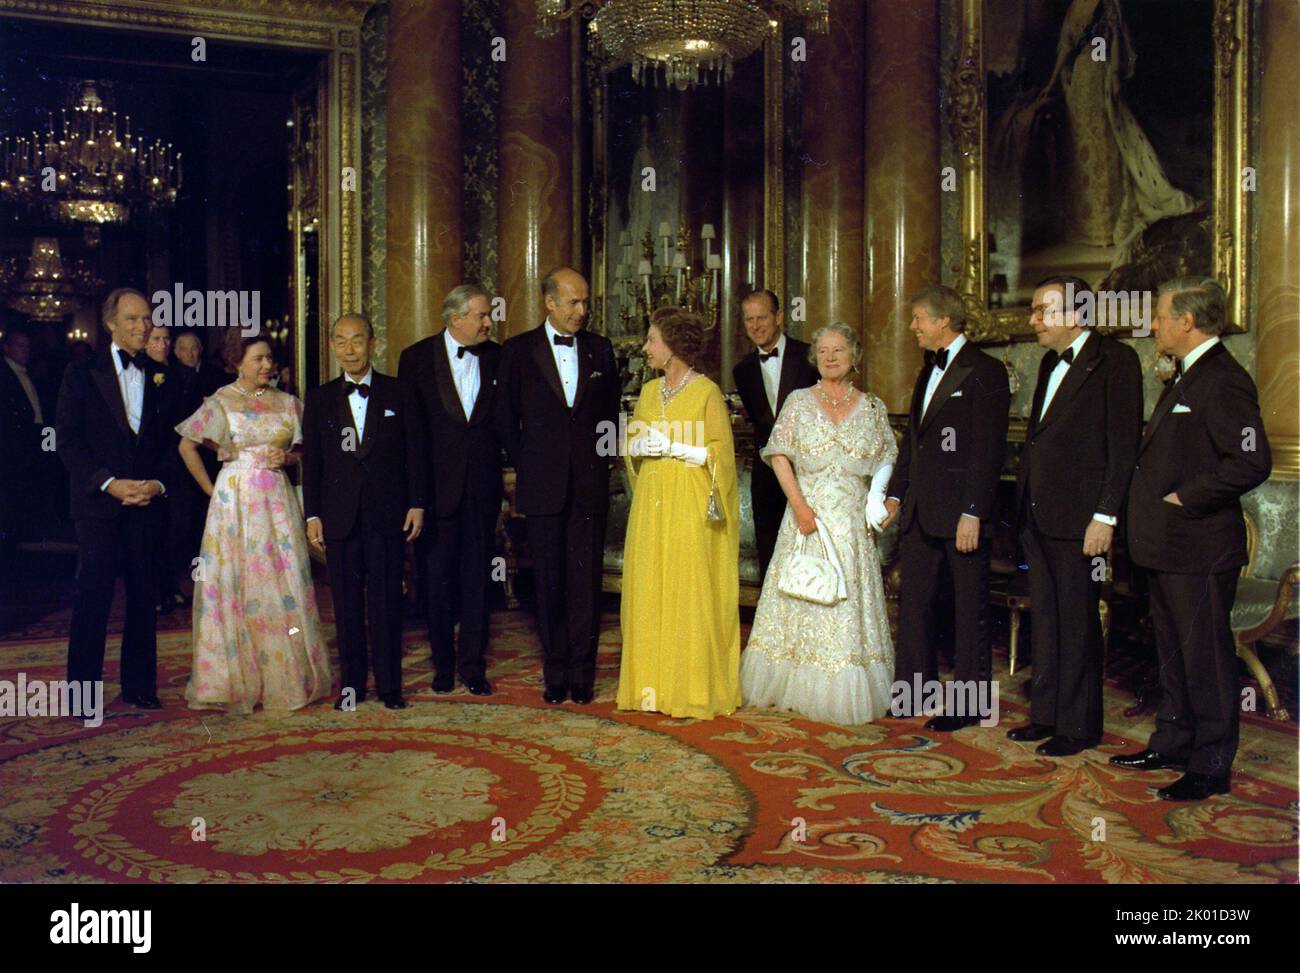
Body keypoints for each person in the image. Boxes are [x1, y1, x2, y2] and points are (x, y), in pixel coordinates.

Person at [1110, 277, 1270, 801]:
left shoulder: (1222, 379)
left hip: (1199, 547)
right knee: (1173, 653)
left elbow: (1251, 460)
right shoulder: (1186, 376)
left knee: (1205, 659)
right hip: (1167, 547)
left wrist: (1186, 498)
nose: (1153, 325)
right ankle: (1174, 742)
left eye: (1159, 316)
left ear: (1187, 321)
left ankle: (1211, 763)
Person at [1007, 276, 1142, 756]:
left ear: (1077, 314)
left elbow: (1123, 448)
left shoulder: (1117, 362)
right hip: (1038, 516)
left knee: (1078, 621)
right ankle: (1045, 715)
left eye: (1043, 311)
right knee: (1047, 619)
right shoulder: (1048, 362)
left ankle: (1079, 726)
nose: (1033, 320)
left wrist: (1105, 517)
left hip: (1083, 520)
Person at [741, 322, 897, 725]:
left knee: (844, 606)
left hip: (850, 524)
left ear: (854, 356)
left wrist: (877, 498)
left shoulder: (874, 407)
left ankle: (841, 690)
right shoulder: (798, 402)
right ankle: (792, 684)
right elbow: (779, 456)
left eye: (838, 350)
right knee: (801, 596)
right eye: (823, 351)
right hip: (805, 518)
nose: (829, 357)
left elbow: (887, 458)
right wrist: (800, 507)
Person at [176, 331, 332, 712]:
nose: (266, 365)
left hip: (276, 501)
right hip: (235, 503)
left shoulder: (289, 403)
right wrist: (212, 490)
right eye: (258, 359)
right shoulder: (221, 401)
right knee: (237, 583)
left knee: (281, 582)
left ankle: (287, 674)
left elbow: (304, 451)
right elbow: (187, 445)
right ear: (238, 362)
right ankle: (231, 679)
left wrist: (289, 460)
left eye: (268, 358)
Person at [883, 285, 1011, 729]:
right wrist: (896, 493)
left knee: (967, 609)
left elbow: (988, 451)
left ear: (942, 321)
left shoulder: (986, 371)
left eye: (918, 318)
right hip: (920, 511)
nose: (912, 326)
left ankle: (970, 705)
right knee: (915, 605)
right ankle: (911, 696)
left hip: (962, 516)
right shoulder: (927, 370)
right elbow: (913, 446)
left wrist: (973, 511)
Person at [494, 267, 620, 705]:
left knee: (585, 584)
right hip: (542, 486)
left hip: (589, 485)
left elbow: (609, 419)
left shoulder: (600, 349)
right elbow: (505, 420)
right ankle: (555, 671)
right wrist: (529, 465)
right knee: (547, 582)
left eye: (586, 302)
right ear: (549, 302)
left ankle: (583, 673)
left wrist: (602, 465)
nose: (582, 311)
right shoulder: (517, 351)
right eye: (573, 302)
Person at [617, 309, 740, 719]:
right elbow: (631, 444)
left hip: (688, 500)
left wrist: (677, 449)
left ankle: (689, 690)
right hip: (652, 501)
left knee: (687, 587)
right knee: (652, 585)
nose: (646, 347)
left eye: (652, 340)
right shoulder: (649, 393)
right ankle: (653, 689)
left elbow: (722, 455)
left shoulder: (706, 391)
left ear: (673, 346)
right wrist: (637, 446)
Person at [56, 288, 175, 709]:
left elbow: (170, 444)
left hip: (146, 506)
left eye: (147, 318)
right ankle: (82, 697)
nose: (144, 326)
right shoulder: (81, 373)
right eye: (133, 319)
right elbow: (67, 442)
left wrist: (156, 485)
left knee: (144, 598)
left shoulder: (163, 374)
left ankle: (140, 687)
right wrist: (110, 483)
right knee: (94, 599)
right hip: (99, 508)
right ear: (110, 324)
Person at [303, 313, 426, 710]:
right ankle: (352, 687)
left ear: (373, 343)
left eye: (357, 340)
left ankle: (391, 687)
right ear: (333, 347)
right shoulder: (319, 398)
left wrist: (417, 504)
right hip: (339, 519)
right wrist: (313, 515)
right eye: (341, 341)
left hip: (388, 515)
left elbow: (416, 456)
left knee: (388, 602)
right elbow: (314, 464)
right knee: (346, 607)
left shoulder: (399, 393)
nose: (349, 349)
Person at [399, 284, 502, 697]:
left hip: (482, 490)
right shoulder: (416, 358)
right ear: (455, 319)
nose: (488, 322)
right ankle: (443, 666)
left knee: (478, 582)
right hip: (436, 496)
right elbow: (411, 438)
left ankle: (473, 667)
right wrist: (416, 501)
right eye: (480, 315)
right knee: (436, 582)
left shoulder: (498, 357)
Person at [732, 290, 818, 581]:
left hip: (808, 471)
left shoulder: (809, 356)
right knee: (769, 552)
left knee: (810, 551)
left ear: (779, 317)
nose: (755, 326)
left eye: (761, 318)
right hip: (766, 474)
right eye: (749, 320)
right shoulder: (741, 370)